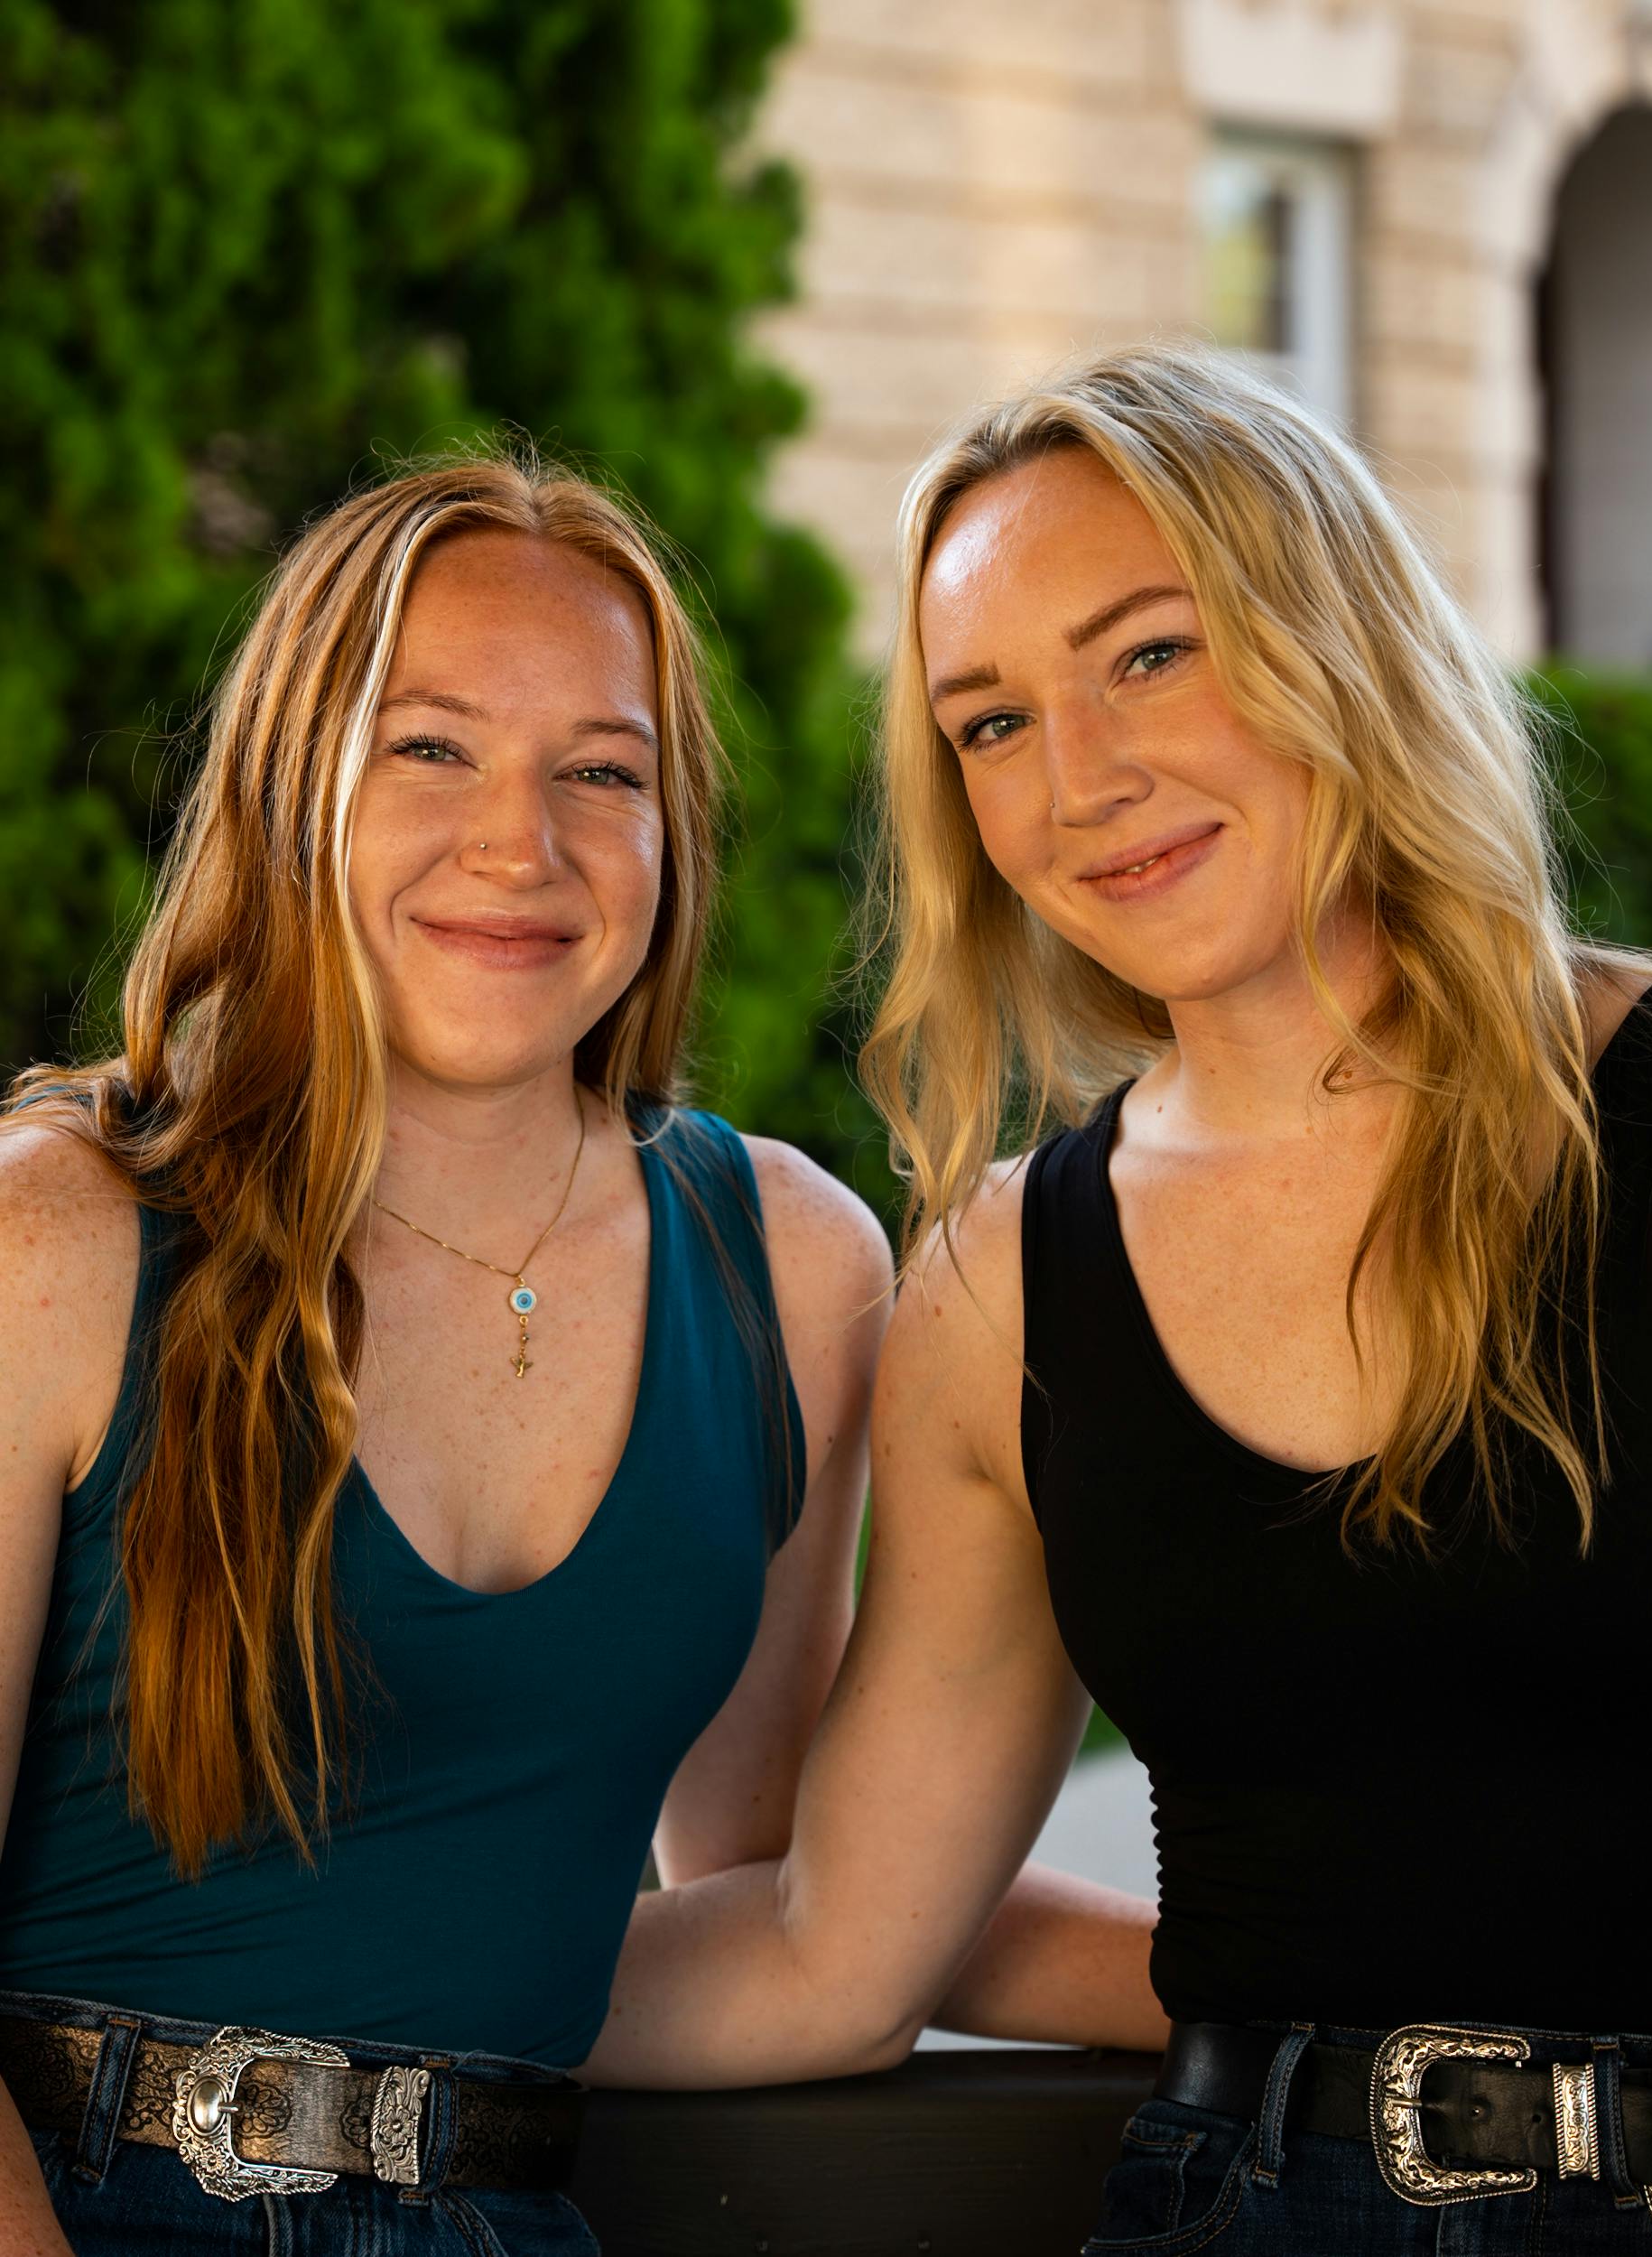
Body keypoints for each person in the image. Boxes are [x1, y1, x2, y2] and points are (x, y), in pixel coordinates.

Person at [0, 456, 1161, 2257]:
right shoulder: (57, 1235)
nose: (516, 845)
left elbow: (803, 1923)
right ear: (289, 779)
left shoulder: (784, 1265)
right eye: (430, 748)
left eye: (598, 772)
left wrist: (1280, 1985)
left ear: (672, 829)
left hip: (507, 2215)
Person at [847, 345, 1652, 2252]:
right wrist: (367, 2038)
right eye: (988, 722)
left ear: (1338, 640)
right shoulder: (997, 1283)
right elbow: (850, 1937)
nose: (1081, 781)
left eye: (1149, 652)